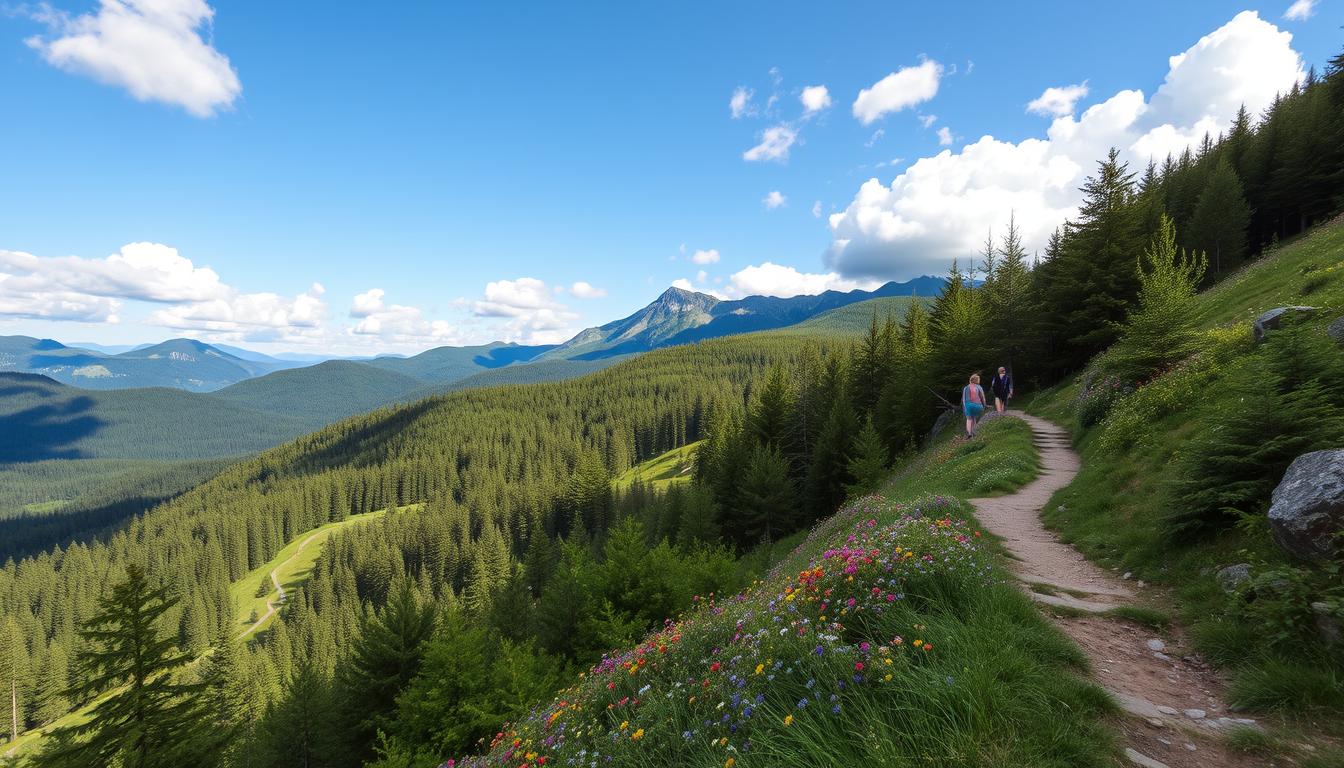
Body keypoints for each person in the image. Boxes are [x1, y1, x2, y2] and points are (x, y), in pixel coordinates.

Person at [962, 373, 986, 437]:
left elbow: (964, 400)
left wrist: (966, 408)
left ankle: (969, 433)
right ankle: (974, 432)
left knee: (969, 418)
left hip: (968, 405)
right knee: (974, 417)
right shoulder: (979, 387)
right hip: (978, 406)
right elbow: (982, 398)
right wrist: (984, 405)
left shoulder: (965, 388)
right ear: (977, 380)